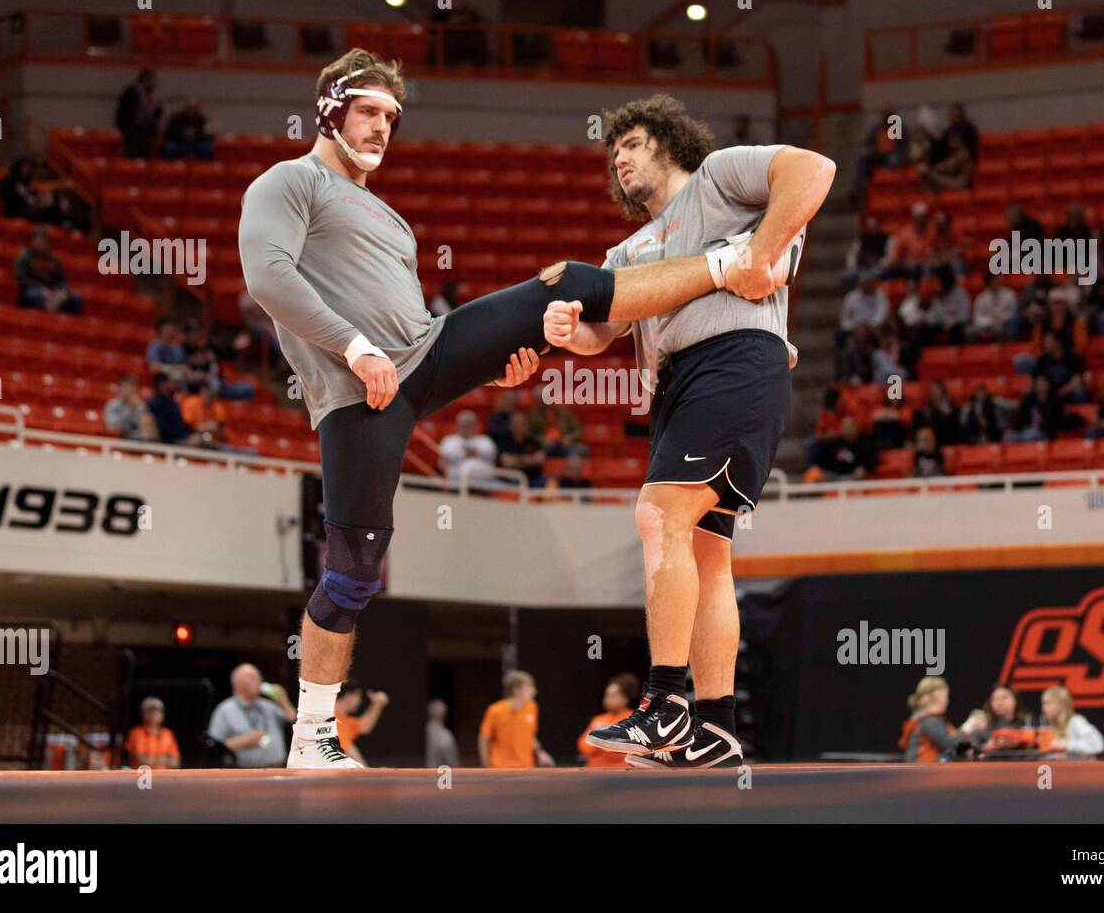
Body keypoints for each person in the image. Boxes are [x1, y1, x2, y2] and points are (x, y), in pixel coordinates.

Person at [238, 51, 777, 768]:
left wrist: (485, 370)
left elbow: (410, 319)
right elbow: (266, 275)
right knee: (352, 574)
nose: (381, 128)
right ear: (330, 108)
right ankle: (312, 737)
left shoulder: (392, 220)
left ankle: (722, 268)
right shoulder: (290, 181)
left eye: (392, 117)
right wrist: (356, 346)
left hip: (426, 356)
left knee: (565, 283)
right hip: (360, 385)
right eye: (368, 111)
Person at [541, 93, 834, 768]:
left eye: (633, 142)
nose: (619, 158)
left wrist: (761, 252)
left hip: (735, 359)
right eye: (613, 153)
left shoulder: (718, 178)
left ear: (669, 141)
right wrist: (569, 334)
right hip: (677, 383)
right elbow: (603, 332)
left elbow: (813, 169)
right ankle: (717, 726)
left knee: (657, 515)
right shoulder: (625, 249)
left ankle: (665, 701)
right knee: (706, 555)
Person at [206, 664, 296, 768]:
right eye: (253, 678)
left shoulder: (269, 706)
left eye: (259, 677)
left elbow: (292, 719)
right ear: (238, 683)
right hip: (242, 774)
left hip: (277, 769)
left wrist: (283, 701)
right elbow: (214, 747)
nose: (259, 681)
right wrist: (247, 740)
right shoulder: (225, 710)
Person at [477, 670, 554, 768]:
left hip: (526, 767)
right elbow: (484, 739)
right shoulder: (495, 710)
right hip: (500, 767)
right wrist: (486, 765)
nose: (534, 691)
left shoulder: (532, 707)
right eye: (530, 687)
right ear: (516, 690)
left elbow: (531, 736)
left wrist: (540, 752)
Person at [898, 675, 978, 762]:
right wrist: (966, 728)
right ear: (937, 697)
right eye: (946, 696)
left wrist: (974, 747)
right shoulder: (929, 720)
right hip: (923, 772)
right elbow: (947, 743)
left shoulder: (925, 717)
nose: (948, 700)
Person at [14, 226, 82, 314]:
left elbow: (62, 279)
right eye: (38, 239)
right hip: (32, 289)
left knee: (76, 297)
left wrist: (61, 290)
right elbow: (21, 278)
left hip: (53, 292)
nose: (40, 242)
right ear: (32, 241)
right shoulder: (24, 257)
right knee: (34, 295)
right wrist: (40, 288)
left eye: (43, 240)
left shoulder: (53, 259)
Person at [577, 674, 638, 769]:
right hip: (594, 769)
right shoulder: (598, 719)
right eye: (606, 695)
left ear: (625, 698)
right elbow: (583, 747)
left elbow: (625, 748)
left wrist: (599, 741)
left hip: (622, 770)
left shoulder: (633, 719)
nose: (607, 699)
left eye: (613, 696)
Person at [1040, 685, 1104, 757]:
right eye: (1043, 704)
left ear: (1062, 705)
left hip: (1084, 767)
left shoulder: (1076, 721)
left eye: (1048, 703)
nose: (1044, 708)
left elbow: (1097, 745)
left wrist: (1064, 745)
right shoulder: (1053, 727)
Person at [334, 682, 388, 766]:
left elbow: (364, 727)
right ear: (349, 696)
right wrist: (366, 772)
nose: (360, 701)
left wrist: (377, 705)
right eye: (358, 696)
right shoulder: (331, 718)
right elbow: (346, 748)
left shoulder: (344, 720)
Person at [438, 409, 498, 485]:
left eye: (469, 424)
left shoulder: (485, 440)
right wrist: (474, 452)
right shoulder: (448, 440)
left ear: (475, 425)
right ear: (457, 425)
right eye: (463, 424)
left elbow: (490, 452)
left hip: (484, 485)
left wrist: (463, 451)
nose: (466, 427)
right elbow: (445, 458)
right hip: (456, 484)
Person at [122, 697, 181, 769]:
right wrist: (165, 759)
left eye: (157, 712)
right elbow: (143, 760)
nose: (153, 715)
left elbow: (176, 762)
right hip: (142, 777)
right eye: (150, 712)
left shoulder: (168, 733)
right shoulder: (136, 732)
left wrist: (153, 759)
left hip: (164, 777)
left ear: (162, 715)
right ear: (143, 714)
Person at [115, 69, 162, 158]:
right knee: (132, 153)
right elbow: (123, 111)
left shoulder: (154, 96)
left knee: (143, 153)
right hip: (132, 130)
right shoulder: (131, 92)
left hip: (146, 131)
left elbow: (156, 114)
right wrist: (123, 127)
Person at [494, 409, 546, 488]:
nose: (520, 427)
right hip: (514, 479)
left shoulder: (533, 441)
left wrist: (518, 460)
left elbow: (539, 459)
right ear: (511, 426)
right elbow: (507, 462)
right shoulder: (505, 442)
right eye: (517, 424)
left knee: (549, 482)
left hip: (534, 478)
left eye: (523, 424)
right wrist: (530, 459)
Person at [103, 373, 157, 441]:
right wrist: (129, 409)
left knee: (148, 420)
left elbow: (149, 427)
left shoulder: (139, 405)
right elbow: (112, 426)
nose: (129, 390)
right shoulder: (113, 405)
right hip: (121, 438)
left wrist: (139, 407)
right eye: (126, 387)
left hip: (140, 438)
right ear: (120, 387)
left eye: (132, 387)